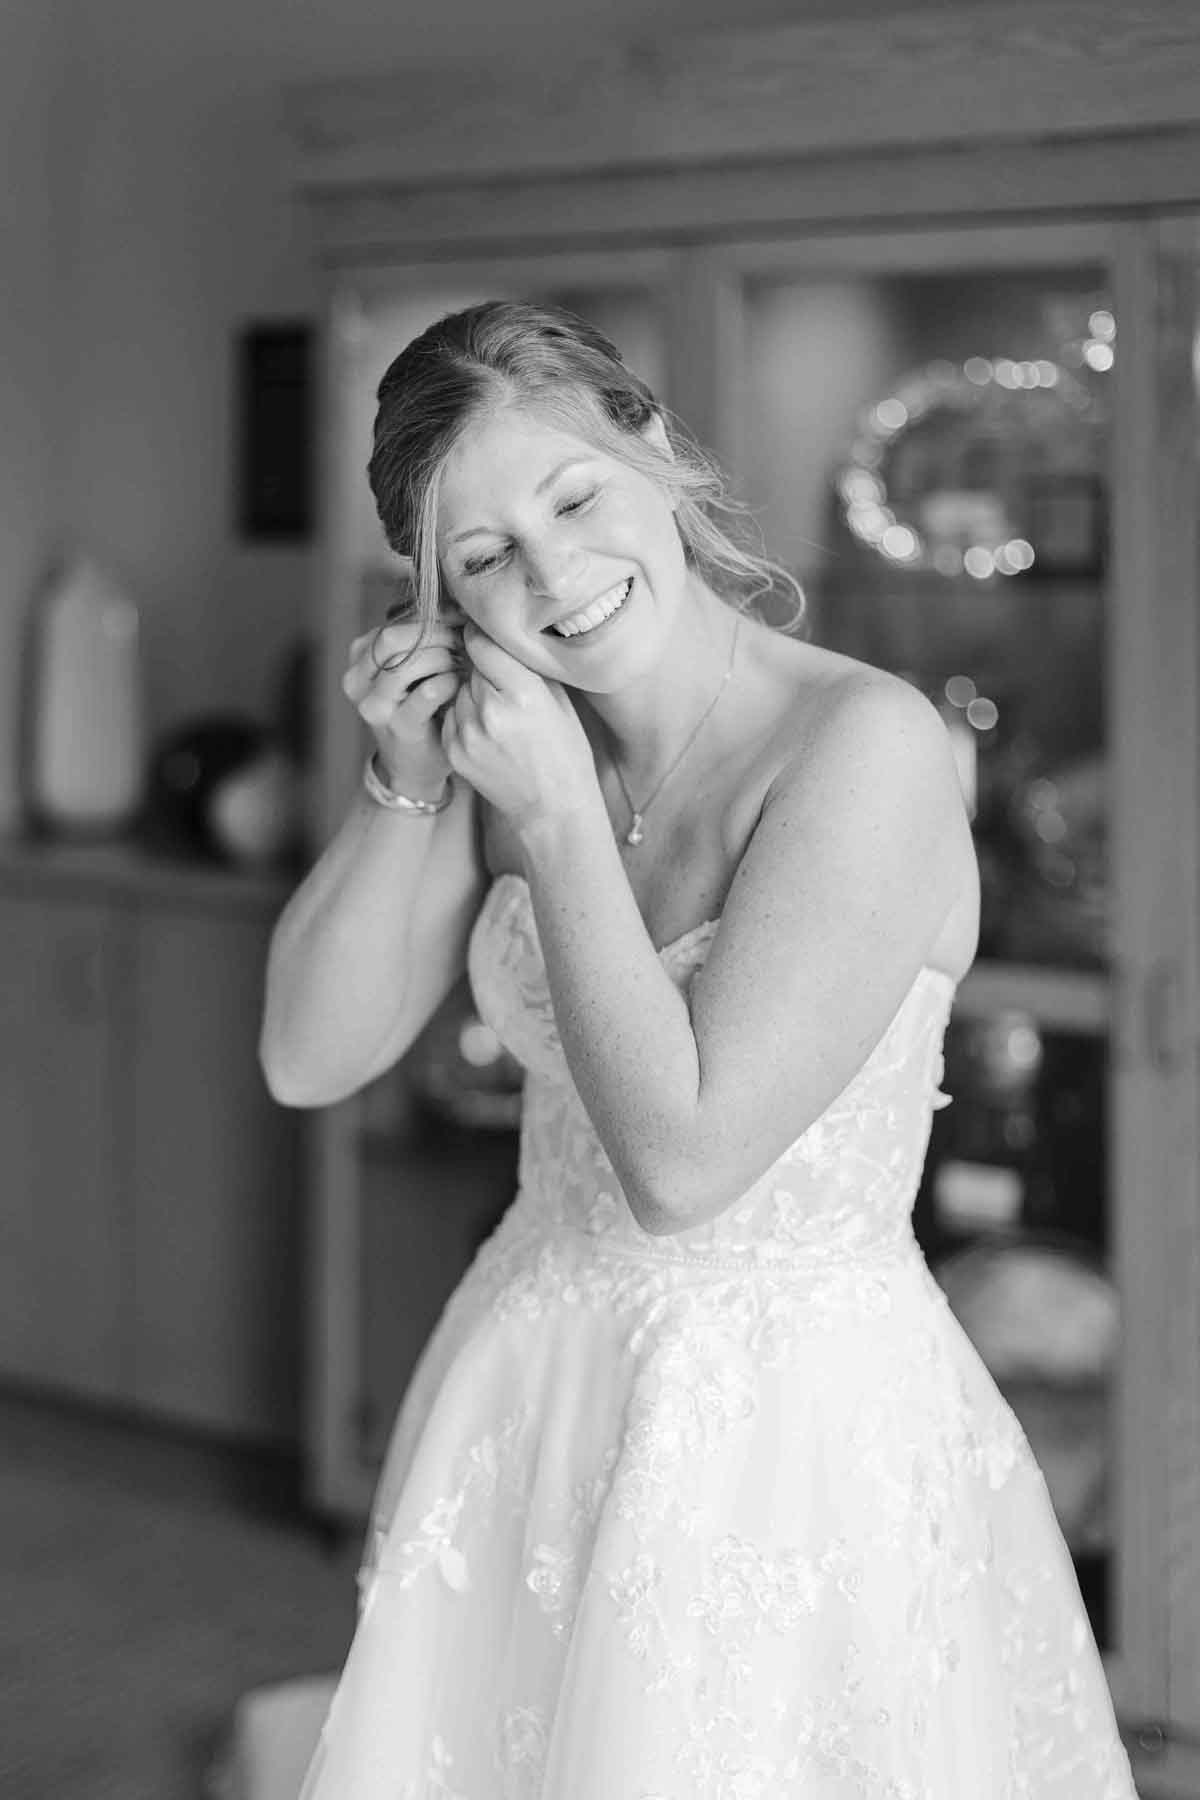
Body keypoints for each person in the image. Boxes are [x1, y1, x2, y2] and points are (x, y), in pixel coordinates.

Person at [260, 300, 1136, 1798]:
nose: (553, 576)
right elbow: (310, 1056)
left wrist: (546, 822)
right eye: (482, 557)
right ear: (438, 596)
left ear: (658, 455)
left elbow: (685, 1161)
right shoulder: (516, 746)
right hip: (531, 1391)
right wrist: (402, 788)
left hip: (787, 1451)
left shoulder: (867, 750)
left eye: (577, 497)